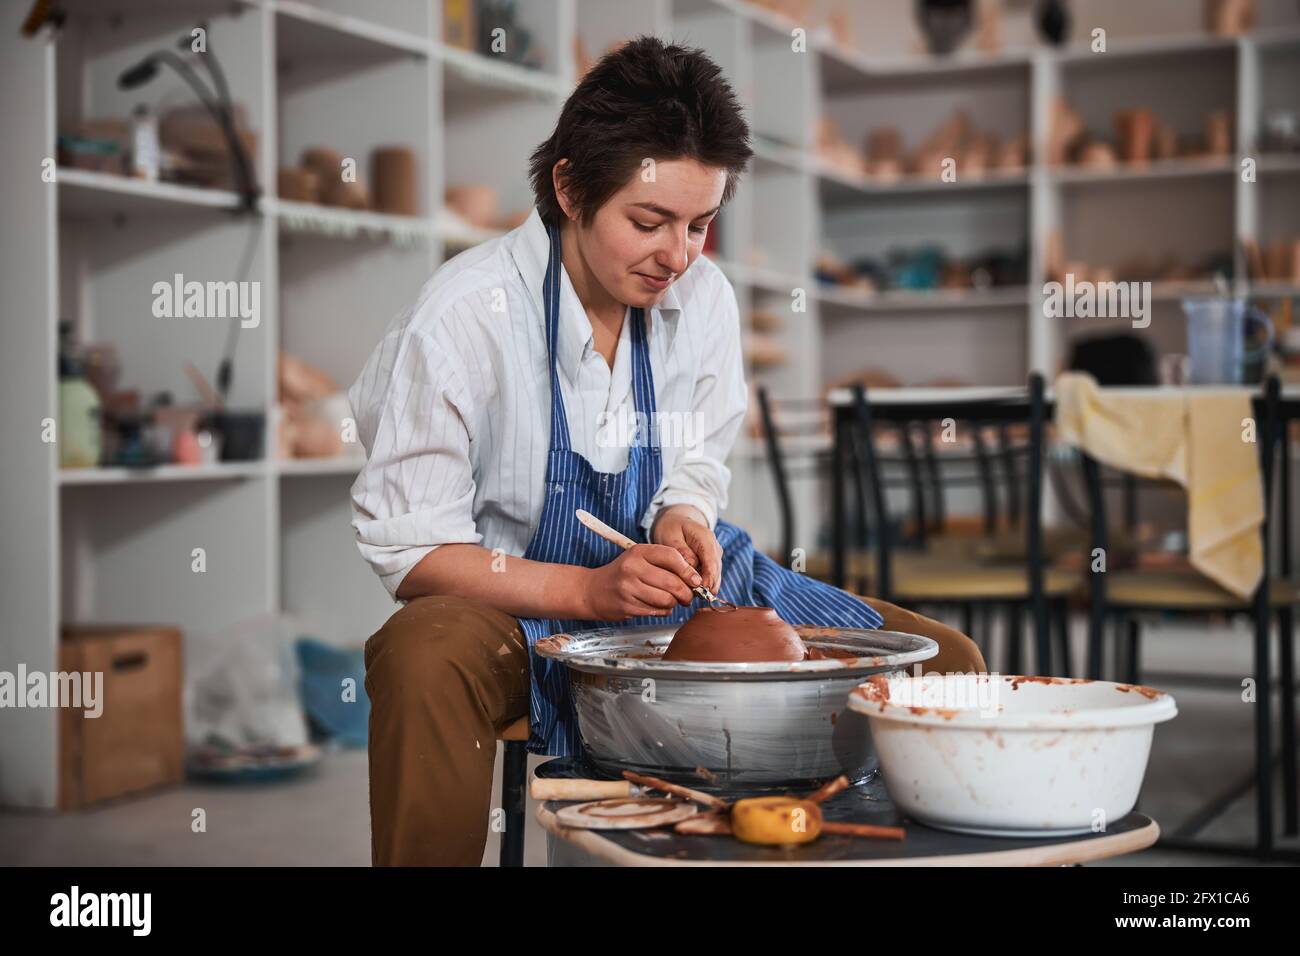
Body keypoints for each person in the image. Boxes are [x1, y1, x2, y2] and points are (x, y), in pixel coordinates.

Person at [349, 36, 985, 866]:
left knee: (951, 666)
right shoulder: (463, 318)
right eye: (648, 222)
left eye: (699, 224)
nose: (677, 256)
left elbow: (695, 459)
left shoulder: (702, 298)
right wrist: (586, 589)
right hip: (510, 606)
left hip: (660, 595)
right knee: (422, 654)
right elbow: (416, 550)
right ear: (570, 187)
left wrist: (684, 512)